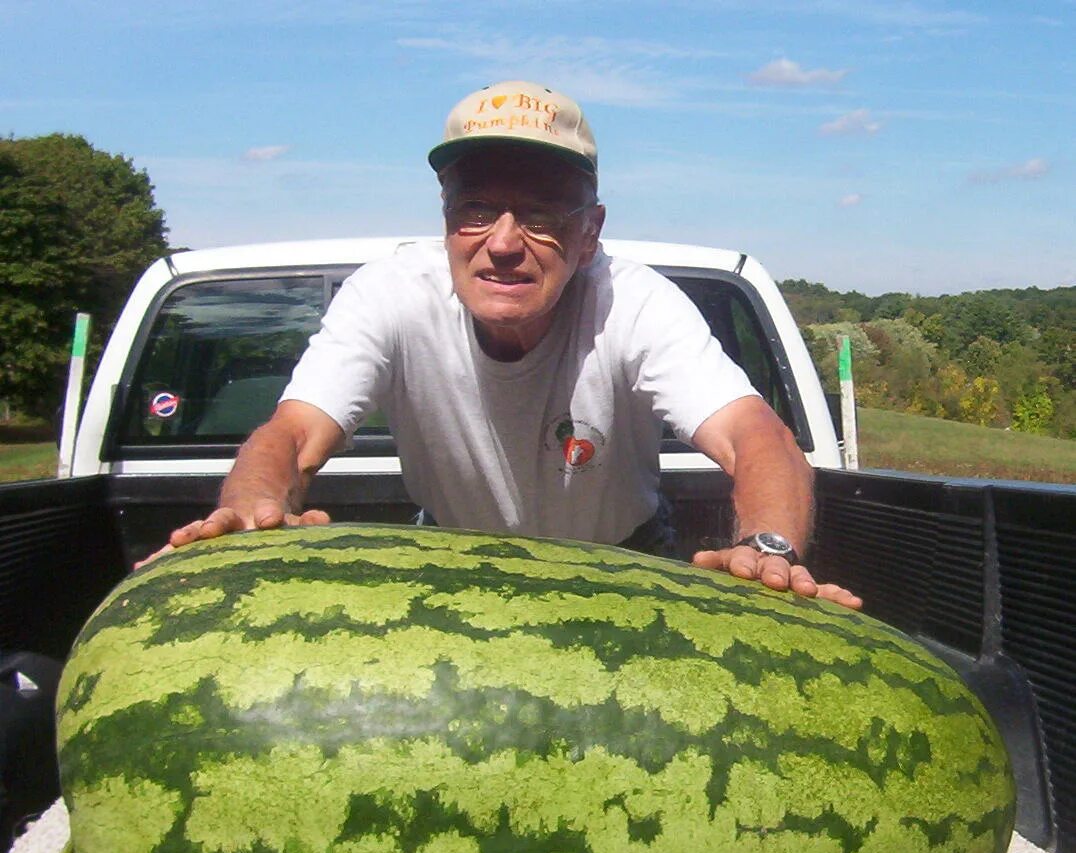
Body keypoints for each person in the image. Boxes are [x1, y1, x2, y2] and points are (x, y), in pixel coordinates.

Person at [153, 80, 860, 610]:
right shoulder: (390, 294)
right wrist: (252, 505)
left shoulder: (633, 301)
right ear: (446, 220)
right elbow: (292, 434)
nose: (502, 243)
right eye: (477, 210)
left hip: (625, 558)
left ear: (590, 233)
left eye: (543, 214)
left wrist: (766, 548)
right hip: (455, 554)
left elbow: (755, 435)